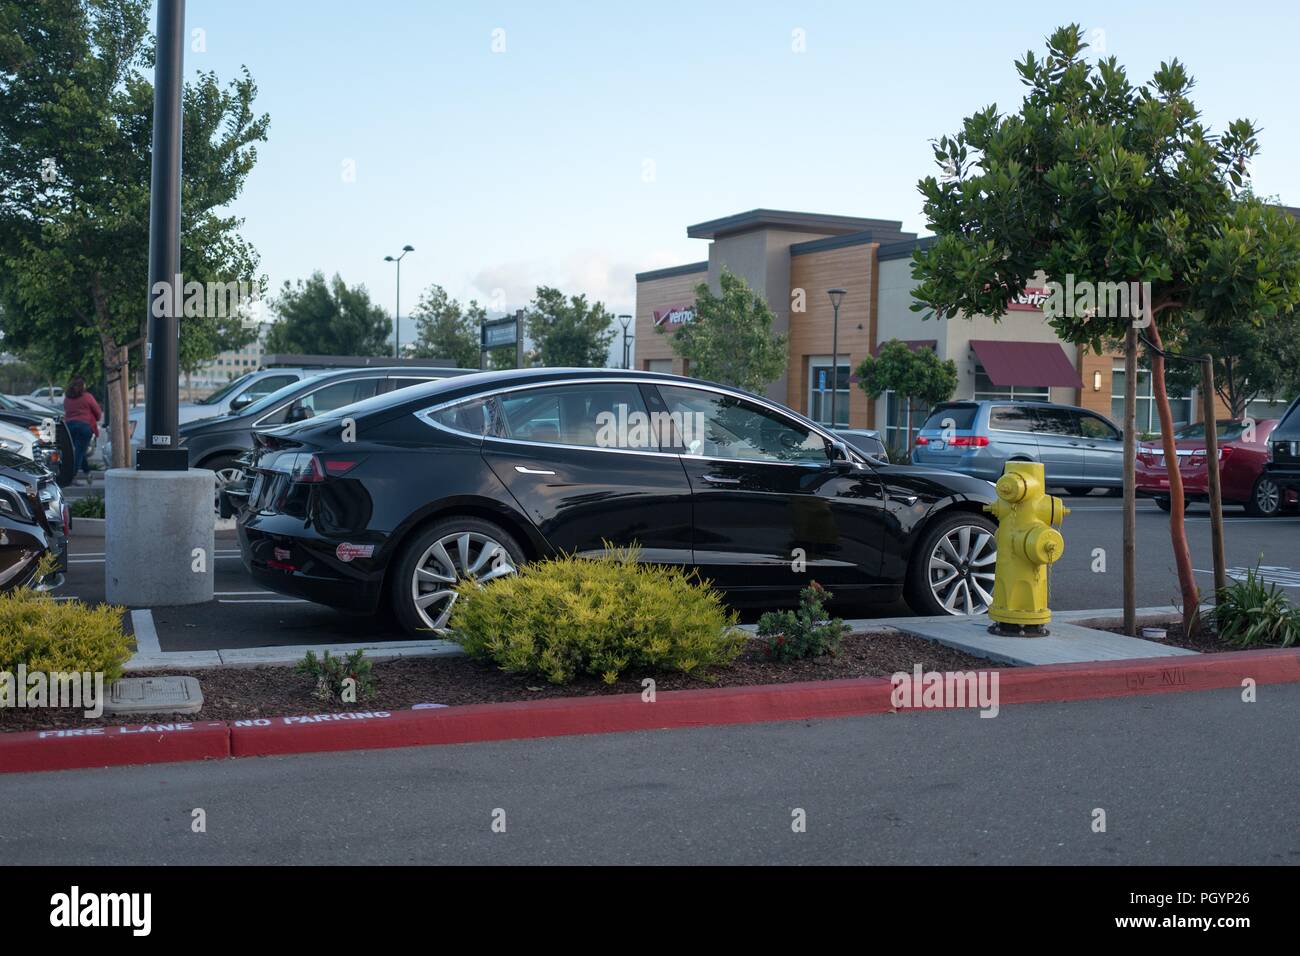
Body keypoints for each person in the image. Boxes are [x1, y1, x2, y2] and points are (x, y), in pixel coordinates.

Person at [62, 376, 101, 484]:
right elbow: (97, 412)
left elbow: (66, 411)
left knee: (79, 451)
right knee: (79, 452)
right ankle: (70, 477)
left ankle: (87, 472)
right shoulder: (87, 397)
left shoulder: (67, 398)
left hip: (69, 427)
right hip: (84, 427)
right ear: (82, 386)